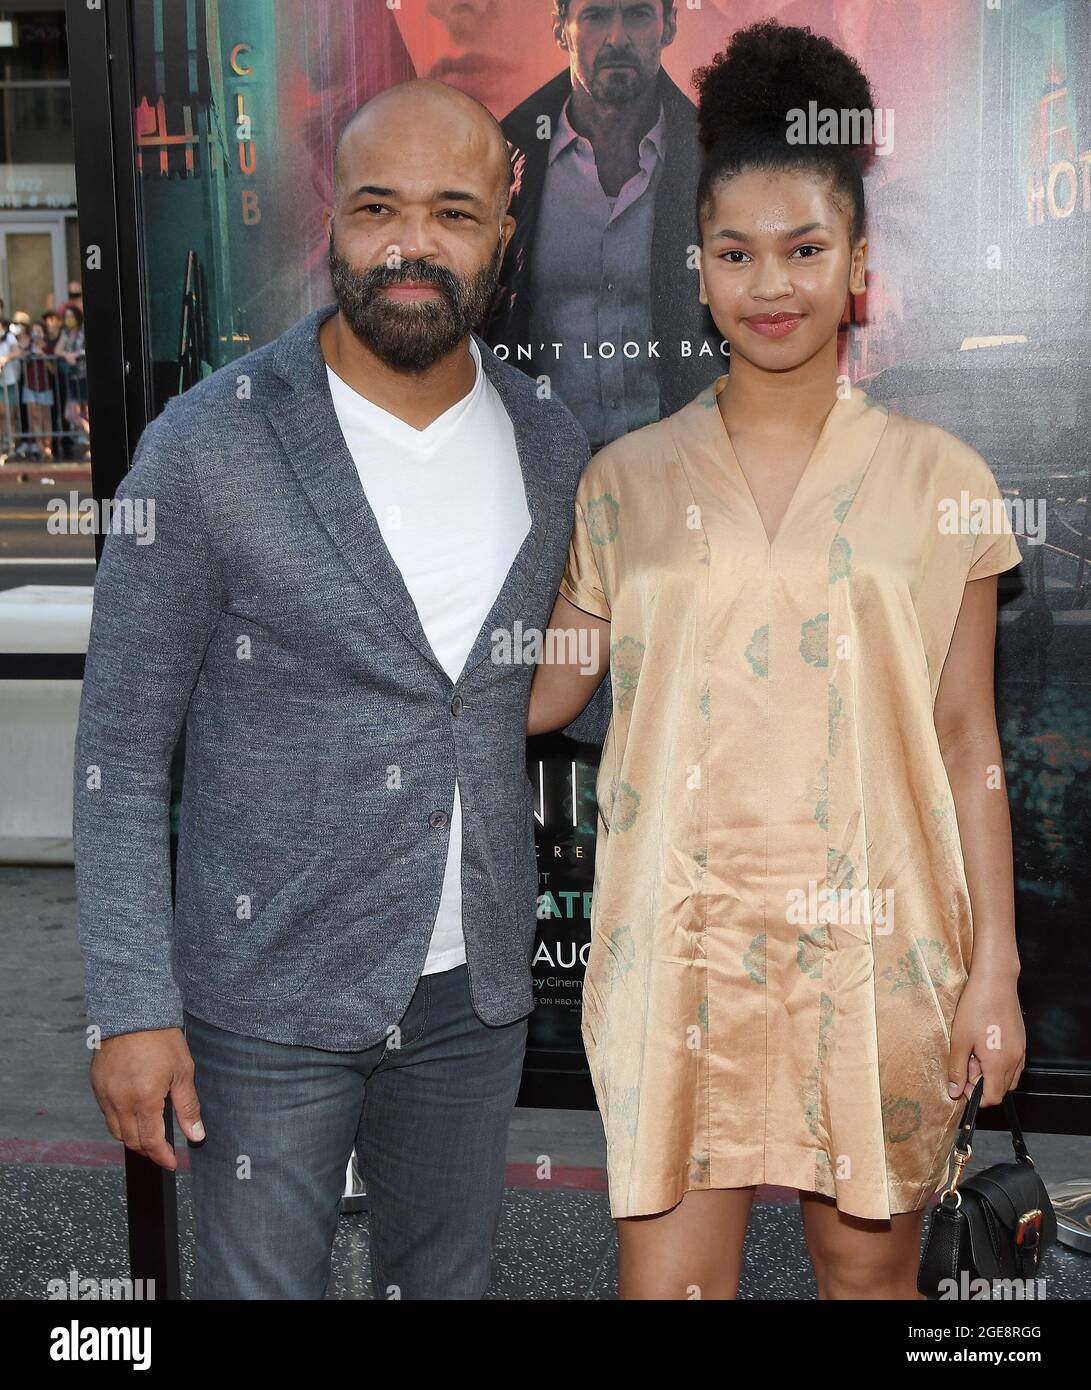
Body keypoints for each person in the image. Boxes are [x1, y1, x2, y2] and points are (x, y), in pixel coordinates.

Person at [74, 77, 605, 1301]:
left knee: (447, 1287)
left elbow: (530, 692)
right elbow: (116, 752)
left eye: (452, 213)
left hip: (469, 999)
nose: (412, 244)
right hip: (264, 1000)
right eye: (378, 207)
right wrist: (130, 1006)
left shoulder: (547, 440)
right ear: (332, 216)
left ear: (504, 226)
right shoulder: (208, 445)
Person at [529, 21, 1025, 1300]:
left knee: (869, 1293)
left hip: (878, 959)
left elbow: (969, 742)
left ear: (857, 261)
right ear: (695, 269)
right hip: (674, 954)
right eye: (735, 252)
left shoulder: (942, 483)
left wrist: (995, 975)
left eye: (806, 249)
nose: (770, 283)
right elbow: (540, 689)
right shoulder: (620, 484)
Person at [484, 0, 725, 452]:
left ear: (668, 25)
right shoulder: (504, 158)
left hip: (683, 468)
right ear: (561, 29)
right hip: (543, 472)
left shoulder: (715, 160)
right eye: (595, 16)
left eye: (637, 14)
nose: (617, 38)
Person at [56, 304, 90, 459]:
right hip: (72, 378)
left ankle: (91, 444)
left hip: (84, 376)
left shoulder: (83, 330)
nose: (69, 319)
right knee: (70, 414)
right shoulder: (65, 332)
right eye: (66, 316)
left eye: (71, 316)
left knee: (86, 413)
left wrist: (76, 354)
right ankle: (88, 434)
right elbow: (57, 350)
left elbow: (87, 348)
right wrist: (67, 356)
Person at [21, 320, 55, 459]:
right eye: (34, 331)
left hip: (45, 387)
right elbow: (23, 364)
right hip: (30, 386)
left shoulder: (49, 348)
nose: (36, 334)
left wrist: (43, 356)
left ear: (44, 333)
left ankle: (48, 448)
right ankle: (41, 448)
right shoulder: (28, 347)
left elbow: (53, 370)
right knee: (34, 417)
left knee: (46, 418)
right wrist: (28, 354)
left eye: (39, 331)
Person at [0, 314, 22, 460]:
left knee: (10, 414)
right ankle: (4, 444)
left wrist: (5, 359)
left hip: (10, 381)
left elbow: (17, 351)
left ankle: (12, 444)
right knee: (1, 414)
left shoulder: (9, 337)